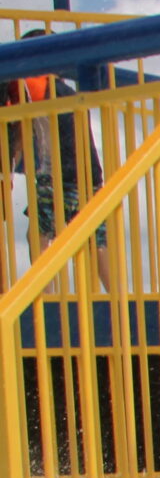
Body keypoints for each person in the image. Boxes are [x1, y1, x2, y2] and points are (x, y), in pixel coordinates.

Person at [2, 29, 111, 291]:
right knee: (95, 240)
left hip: (58, 174)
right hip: (89, 173)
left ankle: (48, 297)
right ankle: (118, 297)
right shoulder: (66, 91)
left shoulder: (34, 84)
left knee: (37, 235)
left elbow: (18, 128)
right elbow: (23, 130)